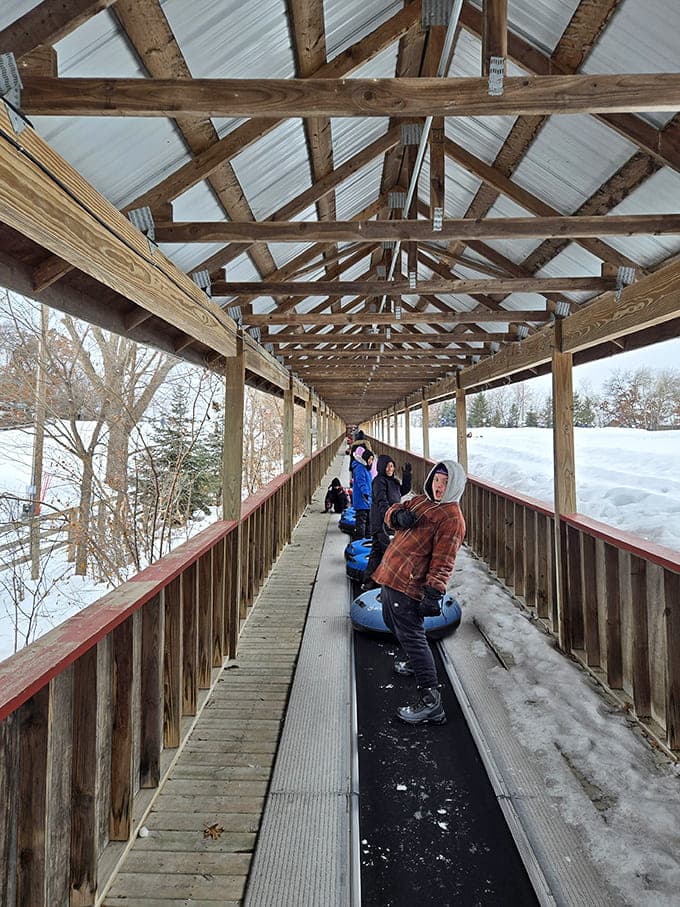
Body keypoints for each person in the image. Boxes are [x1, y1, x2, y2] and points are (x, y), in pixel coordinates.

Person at [372, 460, 466, 726]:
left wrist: (434, 592)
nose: (439, 486)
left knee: (411, 634)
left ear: (455, 486)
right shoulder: (422, 501)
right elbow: (393, 510)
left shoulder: (451, 519)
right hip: (393, 574)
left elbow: (444, 560)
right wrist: (396, 517)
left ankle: (430, 701)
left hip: (410, 582)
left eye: (446, 483)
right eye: (437, 480)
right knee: (393, 622)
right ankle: (416, 662)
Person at [360, 454, 412, 592]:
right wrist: (391, 515)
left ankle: (369, 581)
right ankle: (389, 584)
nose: (390, 469)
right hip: (382, 522)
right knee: (390, 552)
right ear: (382, 467)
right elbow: (381, 500)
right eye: (388, 466)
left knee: (377, 552)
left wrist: (407, 475)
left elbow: (403, 491)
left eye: (392, 466)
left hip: (388, 521)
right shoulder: (379, 482)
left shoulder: (392, 481)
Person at [350, 447, 374, 540]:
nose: (371, 461)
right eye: (370, 459)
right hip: (362, 499)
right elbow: (361, 482)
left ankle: (368, 539)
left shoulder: (365, 468)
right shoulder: (360, 468)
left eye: (372, 459)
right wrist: (365, 493)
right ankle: (359, 540)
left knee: (368, 521)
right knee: (361, 521)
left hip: (367, 500)